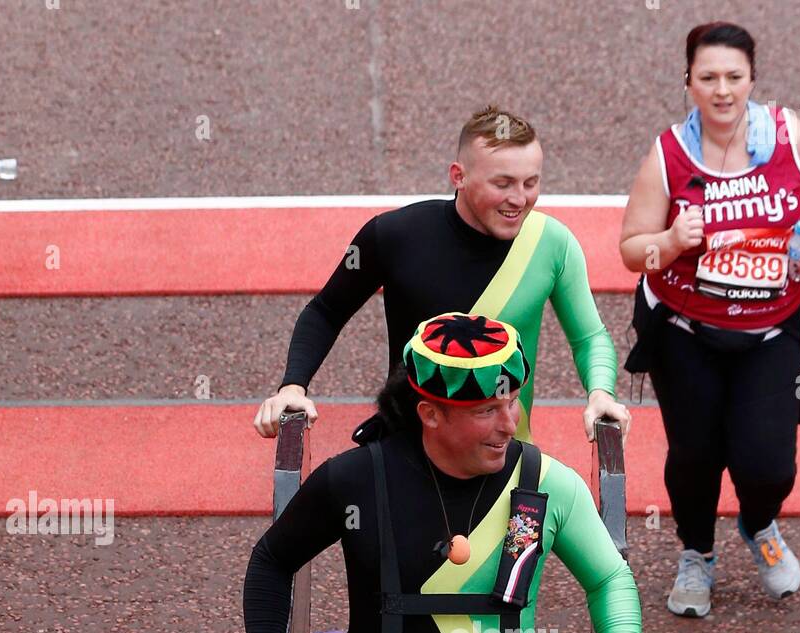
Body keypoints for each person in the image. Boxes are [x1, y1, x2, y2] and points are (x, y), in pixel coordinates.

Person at [233, 312, 663, 633]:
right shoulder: (355, 479)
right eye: (487, 411)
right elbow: (272, 559)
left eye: (513, 402)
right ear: (431, 414)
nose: (509, 424)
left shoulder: (547, 483)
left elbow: (609, 578)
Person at [619, 22, 800, 618]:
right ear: (688, 82)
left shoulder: (791, 136)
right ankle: (696, 553)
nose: (722, 90)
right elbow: (629, 250)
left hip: (771, 332)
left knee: (767, 463)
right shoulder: (669, 154)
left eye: (734, 77)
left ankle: (760, 524)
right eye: (709, 77)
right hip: (685, 334)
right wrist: (668, 239)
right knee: (694, 456)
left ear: (753, 80)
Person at [253, 105, 629, 446]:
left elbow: (589, 337)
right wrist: (292, 386)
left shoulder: (553, 244)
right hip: (407, 449)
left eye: (531, 183)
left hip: (504, 454)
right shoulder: (392, 235)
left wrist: (601, 394)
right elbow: (326, 311)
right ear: (458, 176)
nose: (519, 199)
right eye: (503, 184)